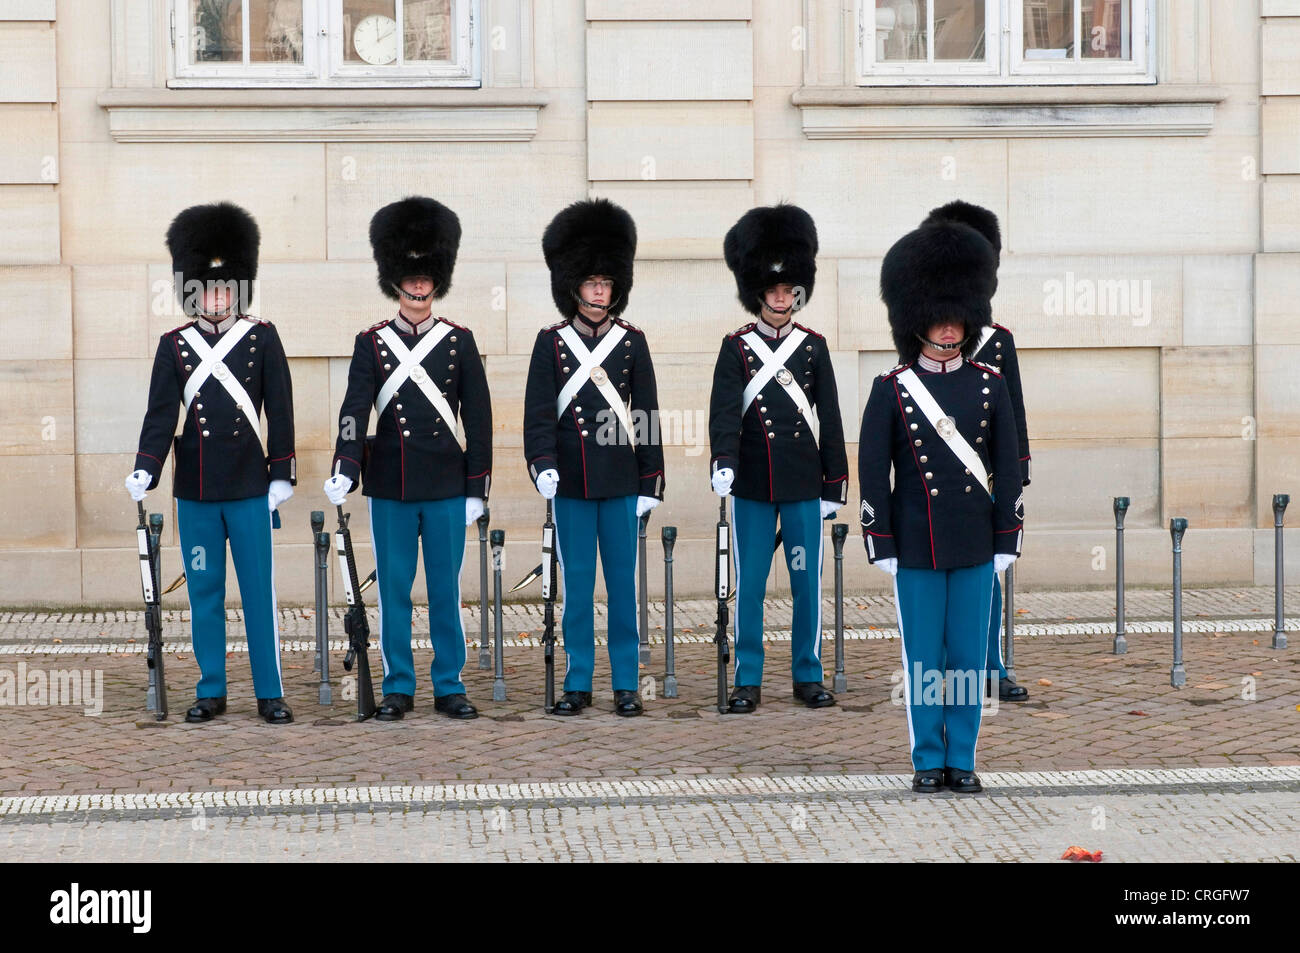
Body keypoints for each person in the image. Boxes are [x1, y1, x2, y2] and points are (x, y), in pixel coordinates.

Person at [858, 207, 1025, 793]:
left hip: (976, 541)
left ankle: (964, 758)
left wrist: (1008, 537)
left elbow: (1008, 466)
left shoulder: (989, 383)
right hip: (917, 543)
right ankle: (928, 759)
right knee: (924, 660)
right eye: (940, 319)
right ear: (918, 321)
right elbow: (873, 470)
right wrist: (878, 538)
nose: (950, 329)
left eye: (958, 318)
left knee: (967, 661)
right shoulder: (893, 388)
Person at [125, 202, 297, 725]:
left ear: (238, 289)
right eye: (205, 288)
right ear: (191, 291)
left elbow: (281, 408)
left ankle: (269, 691)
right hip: (196, 491)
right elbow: (160, 415)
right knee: (204, 594)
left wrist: (282, 473)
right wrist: (146, 467)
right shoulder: (173, 346)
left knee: (258, 594)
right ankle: (211, 688)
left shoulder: (262, 338)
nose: (216, 297)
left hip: (248, 487)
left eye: (225, 288)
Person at [323, 196, 491, 722]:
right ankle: (398, 683)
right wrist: (344, 466)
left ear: (436, 281)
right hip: (391, 486)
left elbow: (479, 420)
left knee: (445, 591)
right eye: (410, 276)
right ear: (395, 280)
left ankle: (449, 683)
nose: (419, 286)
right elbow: (354, 411)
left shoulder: (459, 342)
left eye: (426, 277)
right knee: (394, 591)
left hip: (444, 484)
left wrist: (476, 488)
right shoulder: (370, 343)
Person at [523, 198, 664, 717]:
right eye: (591, 282)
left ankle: (626, 682)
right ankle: (578, 680)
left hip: (620, 480)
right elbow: (538, 414)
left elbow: (645, 414)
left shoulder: (631, 342)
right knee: (577, 590)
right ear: (574, 286)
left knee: (623, 590)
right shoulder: (551, 343)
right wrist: (543, 465)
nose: (600, 290)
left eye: (607, 282)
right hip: (573, 484)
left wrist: (651, 479)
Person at [708, 204, 849, 714]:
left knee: (804, 582)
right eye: (772, 290)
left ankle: (806, 674)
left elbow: (829, 418)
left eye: (788, 290)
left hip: (801, 484)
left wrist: (834, 484)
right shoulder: (737, 347)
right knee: (748, 586)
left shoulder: (813, 348)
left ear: (798, 292)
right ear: (758, 293)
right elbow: (724, 412)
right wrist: (722, 461)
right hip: (751, 483)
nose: (781, 297)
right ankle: (748, 676)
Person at [922, 201, 1033, 703]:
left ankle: (990, 664)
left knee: (987, 576)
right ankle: (942, 665)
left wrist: (1016, 472)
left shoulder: (998, 341)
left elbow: (1014, 408)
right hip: (935, 479)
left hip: (982, 477)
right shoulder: (923, 333)